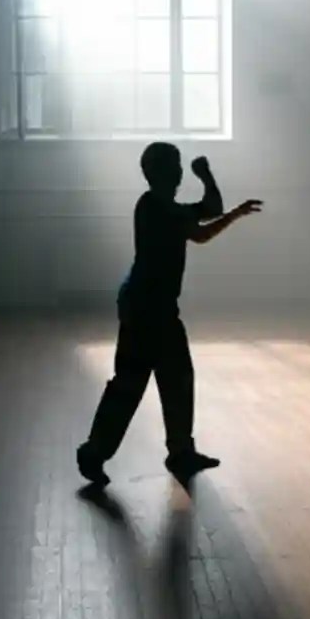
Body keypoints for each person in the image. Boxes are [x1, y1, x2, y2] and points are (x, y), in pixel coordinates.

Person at [77, 142, 262, 486]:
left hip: (152, 308)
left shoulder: (163, 207)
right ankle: (99, 452)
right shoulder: (154, 208)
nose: (180, 172)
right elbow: (204, 224)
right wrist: (210, 183)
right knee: (133, 384)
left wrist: (220, 197)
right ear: (161, 172)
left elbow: (206, 217)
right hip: (146, 310)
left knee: (168, 379)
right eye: (175, 166)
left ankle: (170, 451)